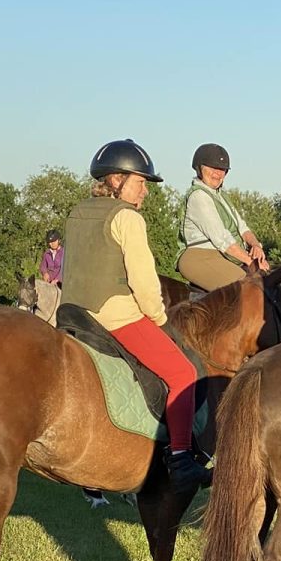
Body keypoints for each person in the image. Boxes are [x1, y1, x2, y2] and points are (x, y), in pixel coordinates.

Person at [61, 139, 209, 491]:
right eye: (141, 182)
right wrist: (159, 319)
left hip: (72, 313)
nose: (145, 190)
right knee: (184, 372)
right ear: (117, 180)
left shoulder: (77, 211)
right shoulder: (128, 217)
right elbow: (144, 283)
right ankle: (181, 458)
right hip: (116, 316)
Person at [175, 143, 268, 292]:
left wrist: (256, 245)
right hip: (201, 257)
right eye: (212, 168)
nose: (218, 173)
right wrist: (252, 263)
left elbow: (242, 228)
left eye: (222, 169)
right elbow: (222, 239)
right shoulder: (198, 197)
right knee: (247, 288)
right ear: (199, 168)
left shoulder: (222, 196)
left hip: (225, 257)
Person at [34, 229, 63, 324]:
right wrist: (44, 273)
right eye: (50, 242)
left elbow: (64, 268)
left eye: (54, 241)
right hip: (49, 283)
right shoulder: (46, 253)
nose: (52, 244)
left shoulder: (64, 253)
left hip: (61, 283)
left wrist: (57, 279)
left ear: (58, 240)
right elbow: (43, 266)